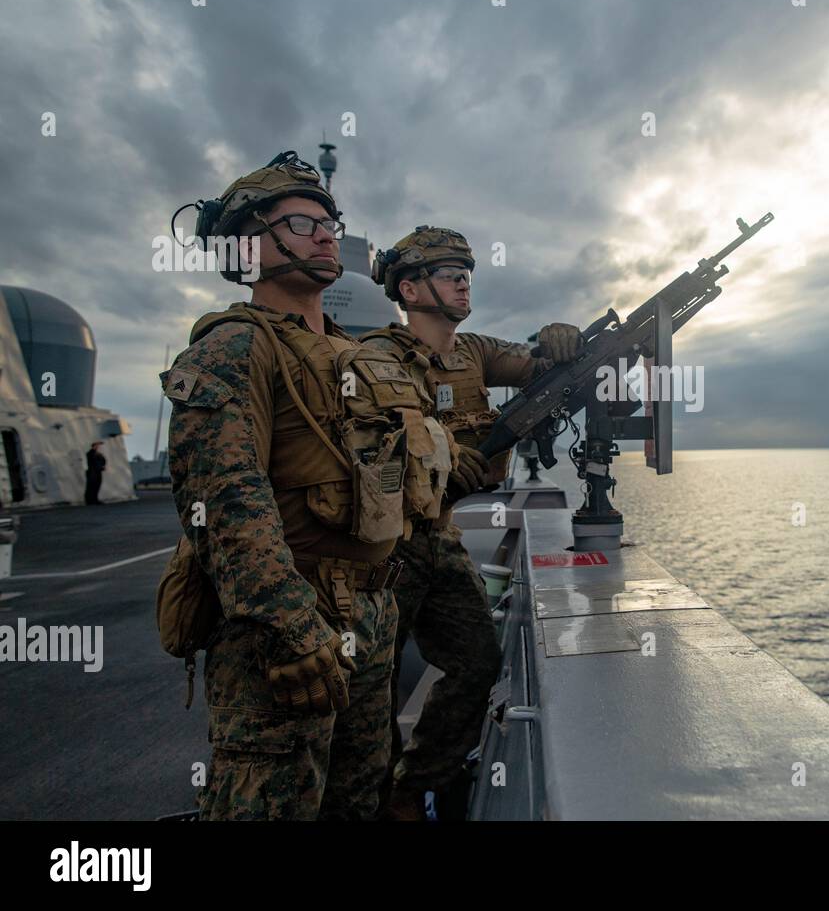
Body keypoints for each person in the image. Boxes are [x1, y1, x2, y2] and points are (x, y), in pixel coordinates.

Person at [161, 152, 449, 820]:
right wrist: (291, 630)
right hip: (290, 632)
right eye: (299, 221)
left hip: (370, 620)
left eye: (329, 221)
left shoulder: (352, 354)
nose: (325, 234)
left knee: (358, 794)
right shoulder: (236, 347)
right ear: (246, 244)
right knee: (271, 800)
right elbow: (226, 505)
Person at [364, 226, 583, 820]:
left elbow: (539, 367)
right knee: (370, 686)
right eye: (446, 271)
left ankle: (415, 785)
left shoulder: (474, 352)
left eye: (466, 271)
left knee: (477, 661)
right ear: (408, 289)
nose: (463, 280)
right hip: (380, 549)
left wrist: (565, 341)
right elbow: (404, 449)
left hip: (437, 539)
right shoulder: (379, 357)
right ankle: (373, 799)